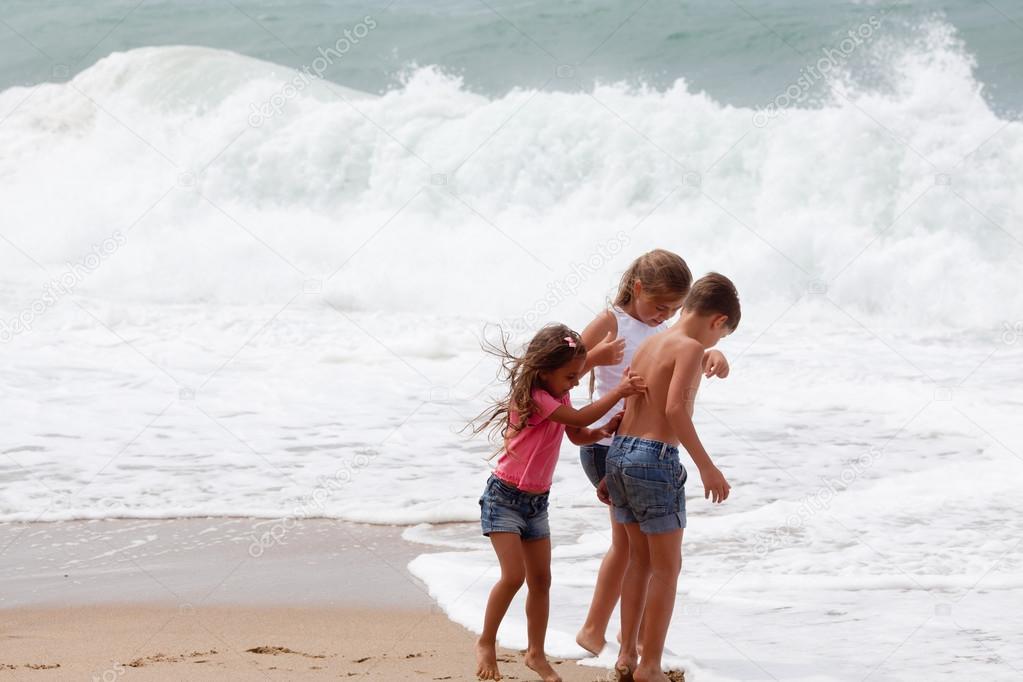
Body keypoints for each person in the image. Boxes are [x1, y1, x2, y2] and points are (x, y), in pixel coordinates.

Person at [470, 323, 646, 681]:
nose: (575, 383)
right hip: (504, 498)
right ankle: (486, 642)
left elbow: (578, 432)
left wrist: (603, 431)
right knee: (513, 576)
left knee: (541, 580)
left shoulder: (558, 394)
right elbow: (579, 416)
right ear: (544, 370)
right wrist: (620, 392)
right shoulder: (536, 397)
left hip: (537, 503)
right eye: (570, 376)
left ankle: (536, 654)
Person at [574, 250, 730, 656]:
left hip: (623, 444)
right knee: (643, 556)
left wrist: (709, 353)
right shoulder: (617, 323)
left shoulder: (658, 337)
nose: (663, 315)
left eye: (672, 309)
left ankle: (632, 643)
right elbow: (568, 367)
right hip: (622, 447)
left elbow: (673, 365)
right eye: (660, 306)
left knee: (636, 553)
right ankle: (620, 642)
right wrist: (597, 357)